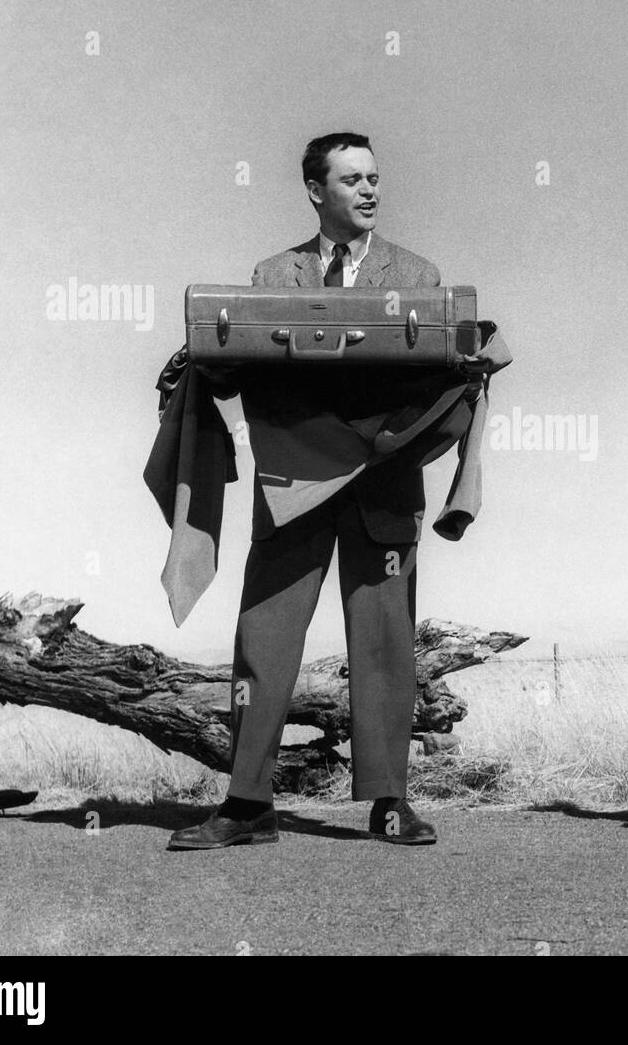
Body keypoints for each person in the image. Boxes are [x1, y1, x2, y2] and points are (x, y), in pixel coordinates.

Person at [168, 132, 452, 850]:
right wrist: (202, 365)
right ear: (315, 190)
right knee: (262, 638)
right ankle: (247, 804)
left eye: (375, 178)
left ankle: (391, 801)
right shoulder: (273, 273)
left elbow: (431, 376)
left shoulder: (417, 274)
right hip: (291, 482)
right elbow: (248, 371)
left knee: (386, 643)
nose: (369, 191)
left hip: (381, 485)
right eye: (352, 178)